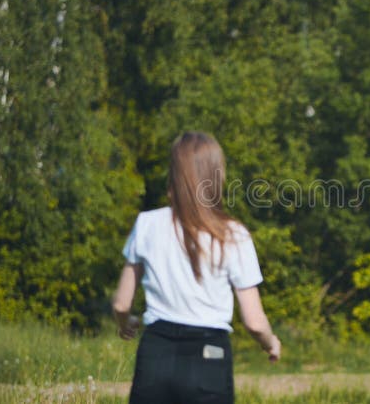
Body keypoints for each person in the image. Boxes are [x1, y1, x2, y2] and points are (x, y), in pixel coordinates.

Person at [112, 131, 281, 404]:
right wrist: (270, 342)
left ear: (174, 174)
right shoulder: (233, 234)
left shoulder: (147, 224)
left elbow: (121, 303)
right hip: (209, 356)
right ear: (216, 175)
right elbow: (253, 320)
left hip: (156, 353)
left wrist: (126, 323)